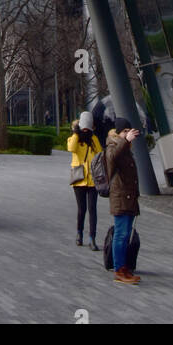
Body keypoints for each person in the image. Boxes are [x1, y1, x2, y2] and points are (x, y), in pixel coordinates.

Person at [105, 116, 142, 284]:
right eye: (125, 131)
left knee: (125, 234)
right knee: (120, 234)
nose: (128, 134)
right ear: (118, 132)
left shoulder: (124, 147)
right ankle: (119, 269)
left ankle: (124, 268)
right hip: (120, 197)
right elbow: (112, 160)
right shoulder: (113, 145)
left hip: (128, 197)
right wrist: (125, 141)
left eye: (129, 131)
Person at [67, 112, 101, 250]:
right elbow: (71, 148)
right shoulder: (74, 138)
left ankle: (92, 238)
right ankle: (79, 233)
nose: (86, 130)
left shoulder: (94, 139)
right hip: (79, 179)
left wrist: (92, 136)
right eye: (84, 127)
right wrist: (76, 132)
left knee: (93, 210)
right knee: (82, 209)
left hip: (93, 180)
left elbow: (100, 153)